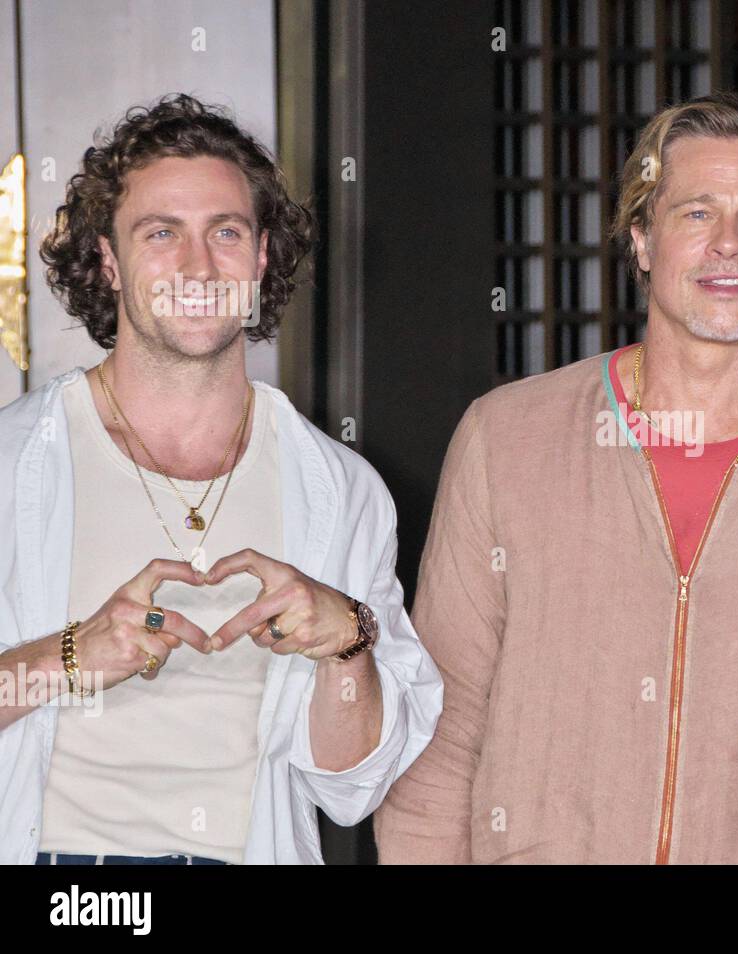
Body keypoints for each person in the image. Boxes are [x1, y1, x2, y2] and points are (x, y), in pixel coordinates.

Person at [375, 92, 738, 864]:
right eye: (696, 213)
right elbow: (441, 715)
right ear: (641, 238)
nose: (729, 245)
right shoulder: (507, 438)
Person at [0, 94, 442, 865]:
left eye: (226, 232)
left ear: (263, 254)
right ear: (108, 257)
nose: (198, 265)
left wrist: (346, 645)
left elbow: (350, 784)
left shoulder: (340, 487)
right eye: (161, 232)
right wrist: (69, 657)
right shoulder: (12, 462)